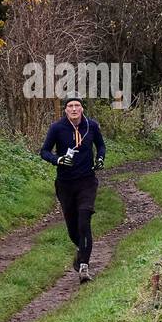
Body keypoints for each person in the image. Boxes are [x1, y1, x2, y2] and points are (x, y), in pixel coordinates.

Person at [40, 96, 106, 282]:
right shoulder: (57, 128)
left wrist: (100, 159)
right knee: (73, 229)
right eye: (70, 106)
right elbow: (44, 151)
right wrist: (58, 160)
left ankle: (84, 266)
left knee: (84, 220)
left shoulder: (91, 126)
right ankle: (81, 251)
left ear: (82, 109)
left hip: (86, 181)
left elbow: (100, 145)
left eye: (77, 105)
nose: (74, 109)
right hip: (65, 183)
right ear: (65, 110)